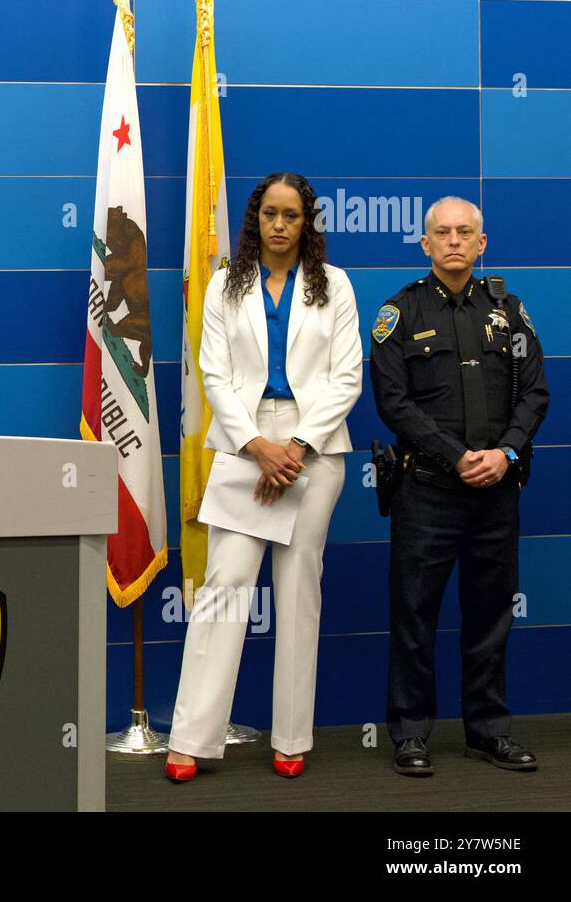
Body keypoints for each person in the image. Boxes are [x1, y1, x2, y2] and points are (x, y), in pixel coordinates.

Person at [165, 172, 363, 781]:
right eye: (270, 214)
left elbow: (347, 378)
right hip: (244, 443)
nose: (280, 225)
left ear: (308, 223)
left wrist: (296, 448)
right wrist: (258, 446)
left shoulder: (335, 286)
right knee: (224, 583)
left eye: (292, 215)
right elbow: (214, 375)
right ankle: (192, 738)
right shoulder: (228, 283)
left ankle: (292, 737)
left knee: (300, 584)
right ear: (256, 219)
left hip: (315, 447)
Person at [370, 196, 548, 777]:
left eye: (463, 232)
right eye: (441, 233)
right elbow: (392, 402)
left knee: (491, 615)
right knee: (414, 617)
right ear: (425, 244)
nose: (452, 241)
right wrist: (457, 458)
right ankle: (411, 734)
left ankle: (488, 732)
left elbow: (535, 394)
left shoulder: (511, 313)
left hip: (497, 491)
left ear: (481, 243)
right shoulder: (398, 313)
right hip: (427, 492)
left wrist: (505, 452)